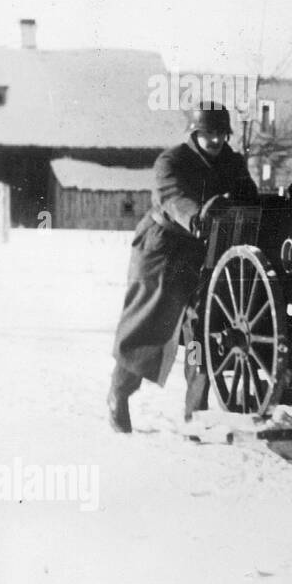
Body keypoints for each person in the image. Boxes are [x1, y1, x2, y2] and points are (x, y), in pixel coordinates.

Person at [107, 105, 259, 432]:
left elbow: (248, 194)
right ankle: (119, 392)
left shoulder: (232, 162)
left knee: (201, 331)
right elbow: (173, 197)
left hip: (206, 251)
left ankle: (196, 413)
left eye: (221, 133)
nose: (216, 139)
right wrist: (197, 215)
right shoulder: (171, 161)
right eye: (209, 134)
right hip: (163, 247)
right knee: (149, 327)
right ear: (194, 133)